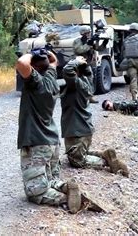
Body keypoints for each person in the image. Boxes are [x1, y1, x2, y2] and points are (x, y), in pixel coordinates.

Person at [16, 48, 103, 214]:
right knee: (51, 179)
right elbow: (54, 62)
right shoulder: (51, 80)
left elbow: (21, 63)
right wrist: (46, 57)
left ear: (34, 68)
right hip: (51, 142)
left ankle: (64, 199)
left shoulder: (37, 83)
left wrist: (33, 54)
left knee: (36, 191)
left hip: (36, 143)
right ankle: (67, 188)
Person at [60, 56, 129, 177]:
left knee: (77, 161)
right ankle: (105, 154)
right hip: (83, 130)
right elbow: (84, 71)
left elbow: (67, 70)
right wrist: (83, 64)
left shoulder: (77, 84)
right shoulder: (87, 80)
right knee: (81, 152)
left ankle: (105, 162)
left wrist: (76, 61)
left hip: (77, 131)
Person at [72, 25, 108, 103]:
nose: (89, 34)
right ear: (83, 33)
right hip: (79, 63)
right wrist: (89, 44)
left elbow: (98, 49)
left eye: (89, 33)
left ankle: (90, 97)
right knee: (79, 81)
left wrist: (104, 43)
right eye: (87, 33)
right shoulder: (77, 41)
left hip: (87, 64)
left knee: (90, 79)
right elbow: (79, 50)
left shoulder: (89, 41)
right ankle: (79, 98)